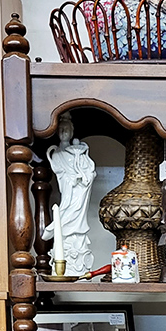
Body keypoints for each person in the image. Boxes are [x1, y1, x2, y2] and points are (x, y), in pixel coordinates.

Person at [44, 112, 97, 276]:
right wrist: (71, 180)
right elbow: (61, 176)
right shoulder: (57, 154)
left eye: (66, 130)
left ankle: (78, 261)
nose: (63, 133)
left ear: (72, 131)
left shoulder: (79, 153)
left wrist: (82, 177)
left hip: (79, 194)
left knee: (76, 218)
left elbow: (90, 172)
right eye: (60, 130)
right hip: (68, 194)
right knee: (64, 216)